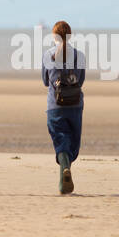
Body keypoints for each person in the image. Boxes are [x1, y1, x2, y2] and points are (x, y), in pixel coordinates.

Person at [42, 21, 86, 194]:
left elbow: (46, 81)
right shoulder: (80, 56)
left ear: (54, 36)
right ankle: (65, 172)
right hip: (75, 105)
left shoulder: (48, 55)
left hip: (55, 105)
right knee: (72, 145)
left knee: (61, 141)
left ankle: (64, 170)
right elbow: (81, 81)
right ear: (70, 36)